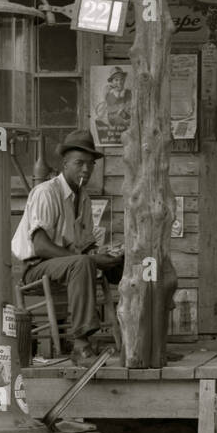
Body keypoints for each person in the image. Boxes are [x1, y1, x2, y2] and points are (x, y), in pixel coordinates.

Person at [12, 129, 176, 364]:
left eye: (90, 165)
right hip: (37, 268)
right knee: (83, 263)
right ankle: (81, 346)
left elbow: (85, 246)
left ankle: (148, 342)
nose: (86, 170)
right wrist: (89, 258)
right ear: (65, 164)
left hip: (70, 264)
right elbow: (40, 246)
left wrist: (109, 254)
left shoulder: (84, 198)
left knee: (136, 264)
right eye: (80, 163)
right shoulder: (45, 192)